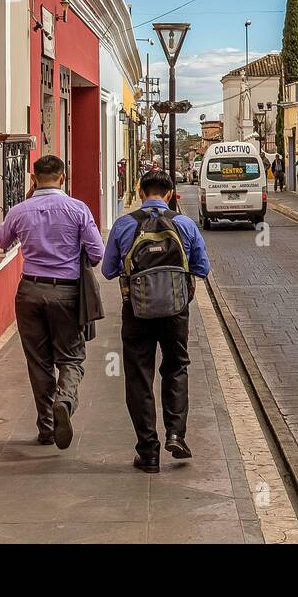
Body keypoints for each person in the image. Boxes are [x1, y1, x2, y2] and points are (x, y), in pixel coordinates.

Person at [0, 154, 104, 449]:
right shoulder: (78, 209)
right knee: (71, 358)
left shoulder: (20, 210)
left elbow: (0, 241)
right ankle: (64, 402)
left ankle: (46, 427)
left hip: (29, 291)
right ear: (63, 177)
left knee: (39, 363)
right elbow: (97, 253)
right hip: (66, 293)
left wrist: (28, 202)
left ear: (33, 179)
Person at [103, 170, 210, 474]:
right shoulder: (185, 224)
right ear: (170, 194)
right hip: (176, 311)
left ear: (140, 193)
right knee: (176, 367)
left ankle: (148, 452)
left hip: (137, 311)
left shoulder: (125, 224)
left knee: (139, 376)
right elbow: (202, 267)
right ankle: (176, 434)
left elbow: (109, 271)